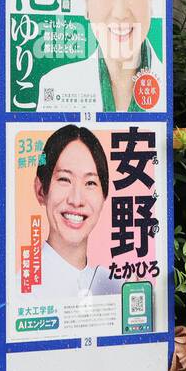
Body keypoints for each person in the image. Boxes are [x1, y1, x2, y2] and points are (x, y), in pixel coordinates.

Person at [26, 125, 120, 299]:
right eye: (64, 179)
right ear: (41, 190)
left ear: (104, 196)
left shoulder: (118, 286)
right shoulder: (20, 291)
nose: (76, 200)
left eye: (90, 183)